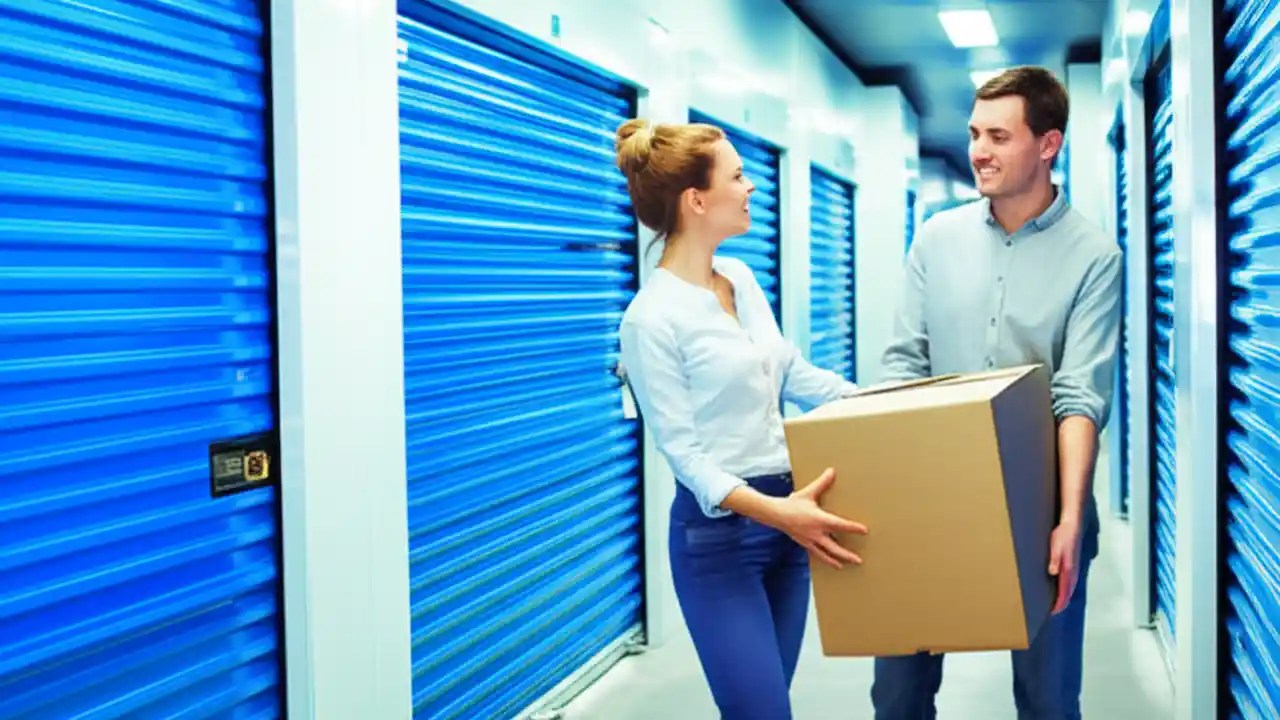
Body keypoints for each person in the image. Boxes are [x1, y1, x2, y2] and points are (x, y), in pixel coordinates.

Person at [871, 66, 1122, 719]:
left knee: (1047, 701)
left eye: (999, 136)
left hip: (1039, 508)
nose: (979, 150)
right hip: (930, 498)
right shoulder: (936, 239)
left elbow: (1079, 398)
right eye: (976, 133)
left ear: (1048, 144)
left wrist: (1068, 520)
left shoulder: (1094, 256)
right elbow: (904, 364)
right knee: (896, 697)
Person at [614, 118, 868, 720]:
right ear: (696, 200)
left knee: (767, 707)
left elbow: (792, 374)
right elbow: (687, 459)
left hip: (791, 525)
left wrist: (884, 405)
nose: (752, 187)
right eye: (738, 176)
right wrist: (780, 514)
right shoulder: (649, 320)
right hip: (721, 543)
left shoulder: (742, 279)